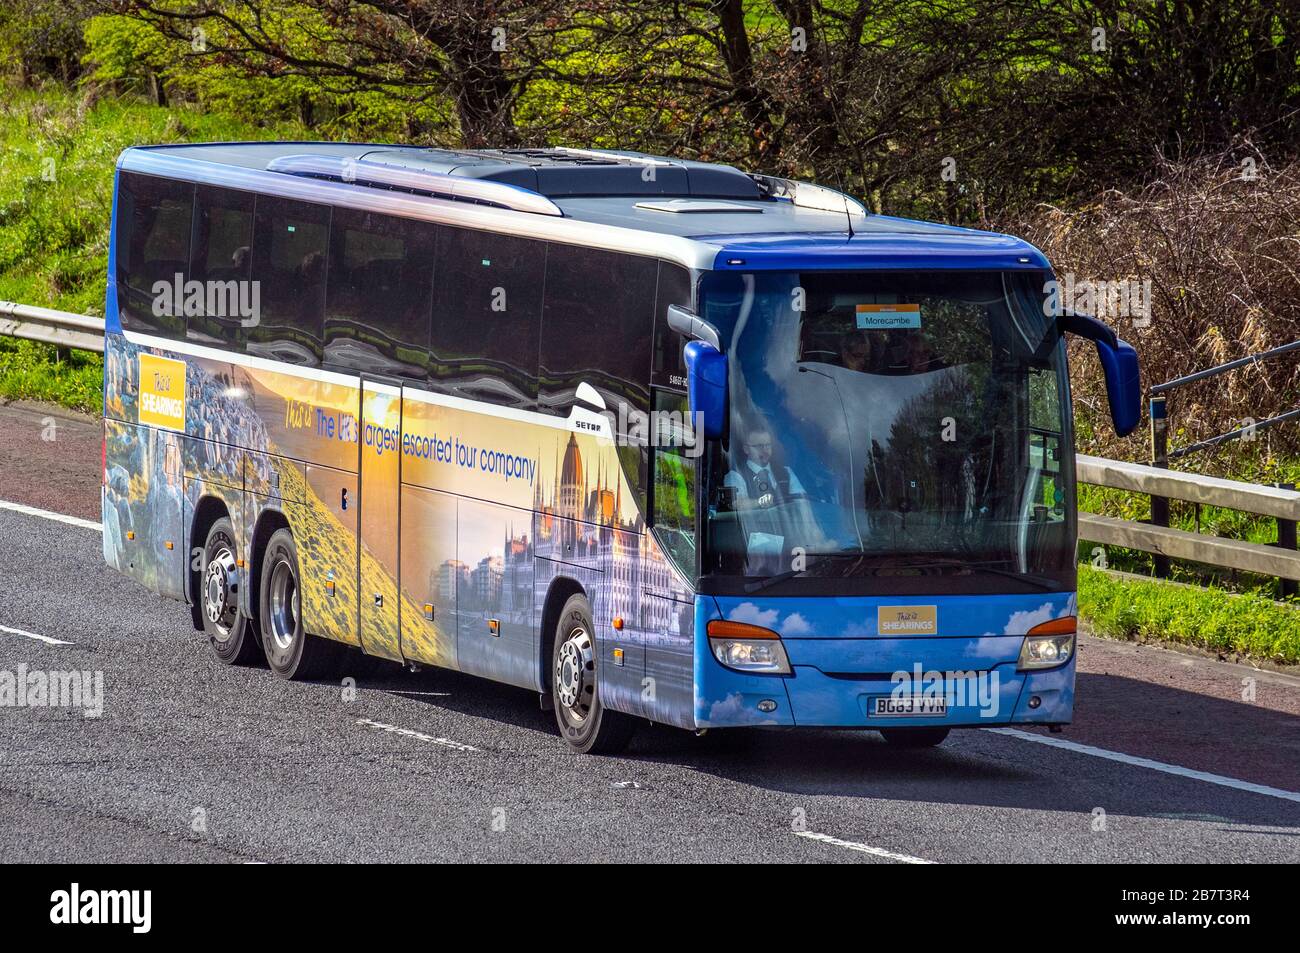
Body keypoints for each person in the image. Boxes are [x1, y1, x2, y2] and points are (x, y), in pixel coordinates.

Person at [724, 424, 806, 510]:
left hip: (791, 523)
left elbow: (801, 500)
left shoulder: (786, 472)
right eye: (759, 446)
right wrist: (759, 502)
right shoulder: (735, 475)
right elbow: (735, 503)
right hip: (752, 523)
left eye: (768, 445)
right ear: (746, 449)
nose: (765, 450)